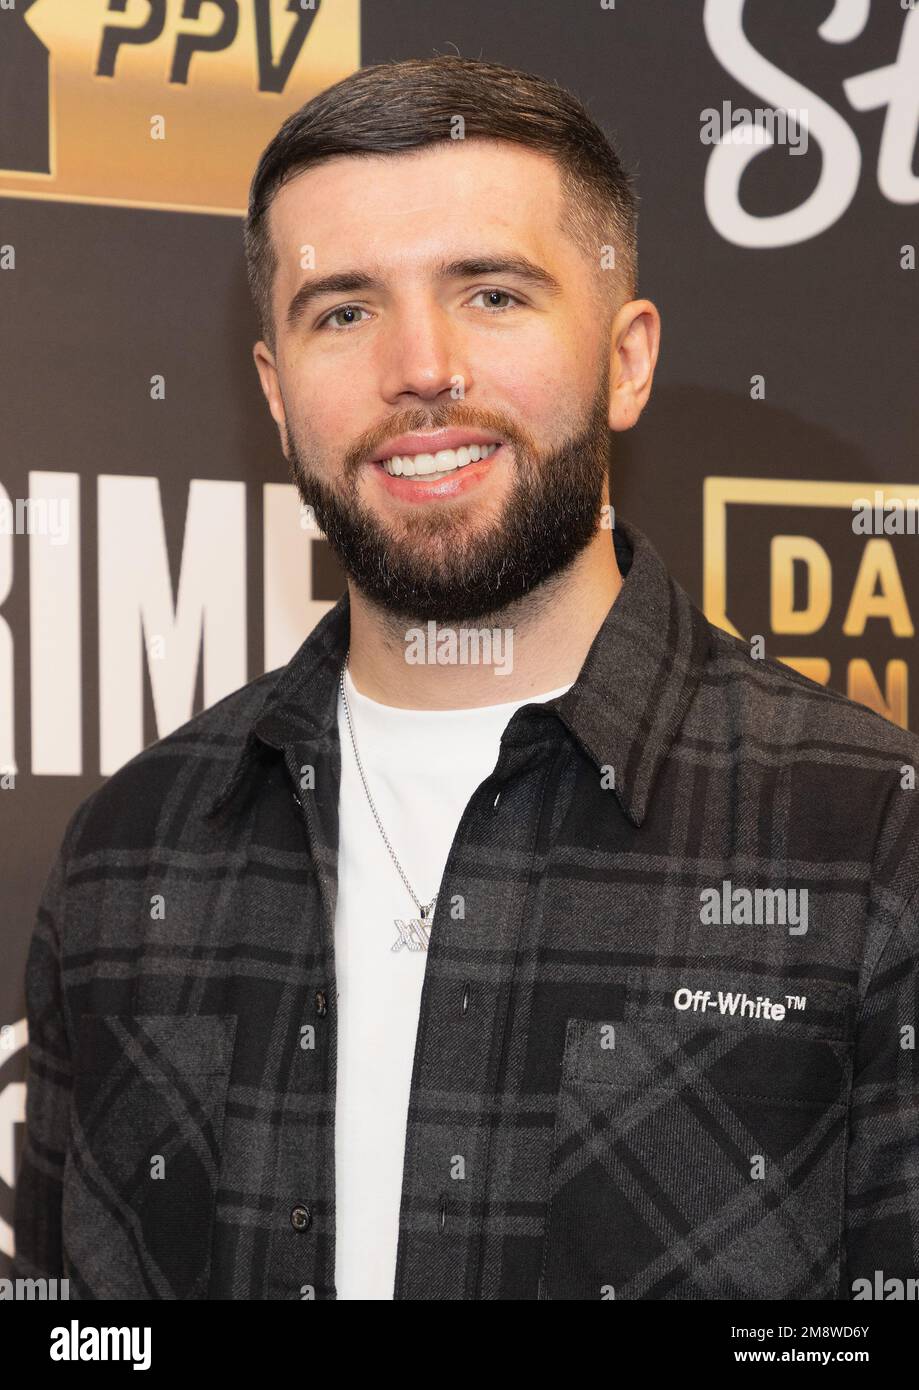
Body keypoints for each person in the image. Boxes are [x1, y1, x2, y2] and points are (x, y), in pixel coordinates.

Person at [14, 55, 919, 1301]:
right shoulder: (128, 855)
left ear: (628, 356)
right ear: (276, 392)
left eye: (491, 293)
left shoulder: (872, 839)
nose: (421, 368)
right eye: (343, 310)